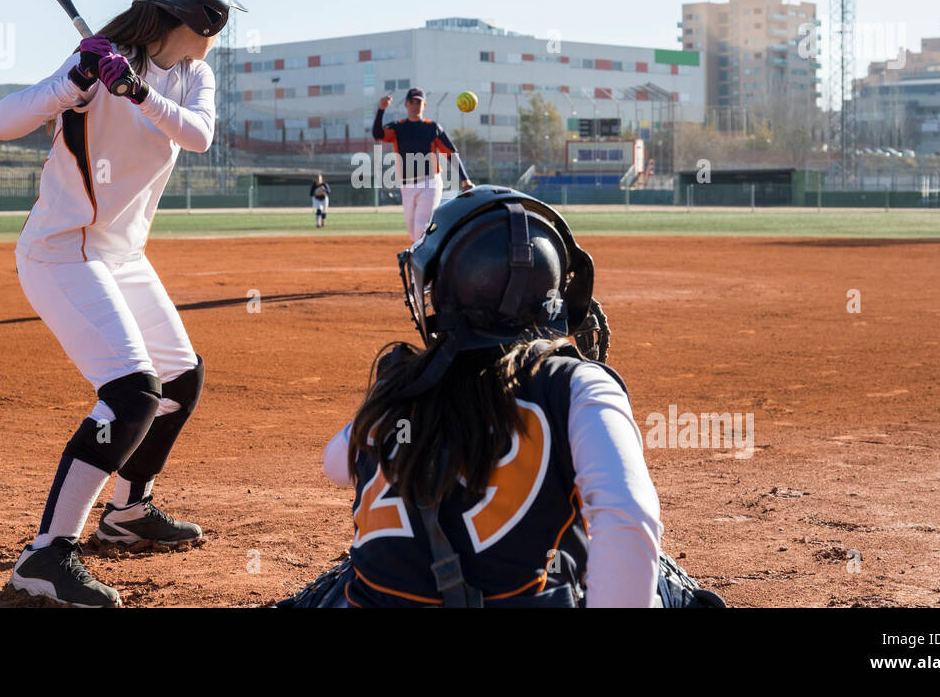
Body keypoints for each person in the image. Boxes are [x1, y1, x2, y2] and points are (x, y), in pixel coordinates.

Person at [277, 186, 724, 607]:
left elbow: (336, 465)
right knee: (662, 576)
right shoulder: (575, 385)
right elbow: (627, 520)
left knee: (349, 574)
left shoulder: (397, 388)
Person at [0, 0, 245, 607]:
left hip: (121, 253)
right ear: (203, 13)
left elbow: (197, 135)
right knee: (132, 394)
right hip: (62, 249)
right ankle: (47, 555)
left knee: (181, 377)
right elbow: (1, 123)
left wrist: (136, 93)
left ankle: (129, 511)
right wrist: (67, 86)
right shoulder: (94, 60)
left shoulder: (191, 76)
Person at [372, 87, 474, 241]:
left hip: (429, 183)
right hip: (407, 186)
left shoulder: (432, 128)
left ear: (424, 106)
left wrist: (465, 179)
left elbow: (450, 153)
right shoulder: (398, 128)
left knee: (421, 226)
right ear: (406, 104)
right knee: (414, 232)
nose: (415, 106)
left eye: (418, 102)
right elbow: (377, 134)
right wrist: (381, 110)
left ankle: (429, 262)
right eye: (412, 102)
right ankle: (424, 261)